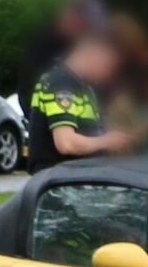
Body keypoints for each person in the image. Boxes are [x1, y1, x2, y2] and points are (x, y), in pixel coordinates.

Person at [28, 30, 134, 173]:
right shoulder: (61, 83)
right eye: (108, 64)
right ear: (92, 53)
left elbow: (91, 134)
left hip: (76, 179)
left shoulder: (83, 86)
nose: (109, 71)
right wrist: (108, 141)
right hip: (60, 182)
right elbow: (66, 143)